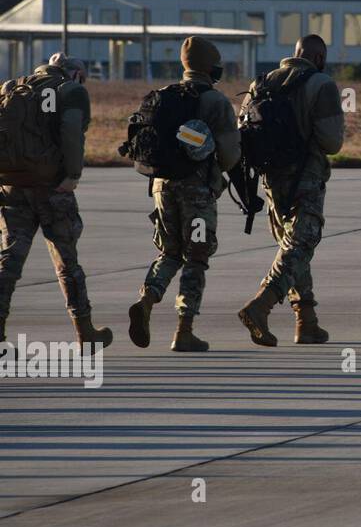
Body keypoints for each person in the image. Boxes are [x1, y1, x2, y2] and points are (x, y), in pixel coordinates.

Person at [127, 37, 241, 351]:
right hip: (197, 190)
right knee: (197, 257)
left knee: (169, 253)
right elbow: (230, 156)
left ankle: (147, 299)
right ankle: (184, 329)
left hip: (161, 186)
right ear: (209, 66)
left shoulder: (164, 95)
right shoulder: (214, 101)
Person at [236, 34, 345, 346]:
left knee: (293, 247)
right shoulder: (321, 84)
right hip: (306, 177)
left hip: (272, 179)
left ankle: (306, 320)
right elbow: (332, 142)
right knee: (301, 245)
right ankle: (261, 304)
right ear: (319, 58)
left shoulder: (263, 83)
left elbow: (244, 129)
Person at [0, 53, 111, 346]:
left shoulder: (12, 88)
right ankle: (85, 331)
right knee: (67, 260)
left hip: (13, 184)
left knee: (8, 261)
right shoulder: (70, 90)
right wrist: (72, 175)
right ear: (75, 74)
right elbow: (72, 132)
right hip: (52, 188)